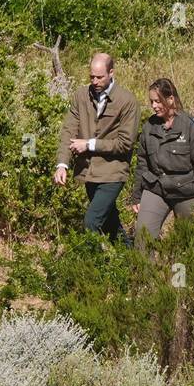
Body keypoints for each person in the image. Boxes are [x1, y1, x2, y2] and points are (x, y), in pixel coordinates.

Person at [53, 52, 138, 245]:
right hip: (89, 172)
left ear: (111, 73)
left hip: (113, 173)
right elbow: (69, 130)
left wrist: (89, 144)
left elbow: (125, 143)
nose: (95, 81)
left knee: (91, 222)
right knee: (111, 225)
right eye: (91, 76)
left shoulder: (127, 101)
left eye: (100, 77)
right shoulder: (81, 96)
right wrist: (62, 164)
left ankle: (94, 270)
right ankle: (131, 263)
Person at [130, 78, 194, 248]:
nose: (154, 106)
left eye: (158, 101)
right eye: (151, 101)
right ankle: (145, 275)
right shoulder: (149, 127)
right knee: (142, 238)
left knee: (192, 242)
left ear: (170, 99)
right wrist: (136, 196)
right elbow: (142, 164)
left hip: (186, 192)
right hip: (156, 188)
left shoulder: (191, 126)